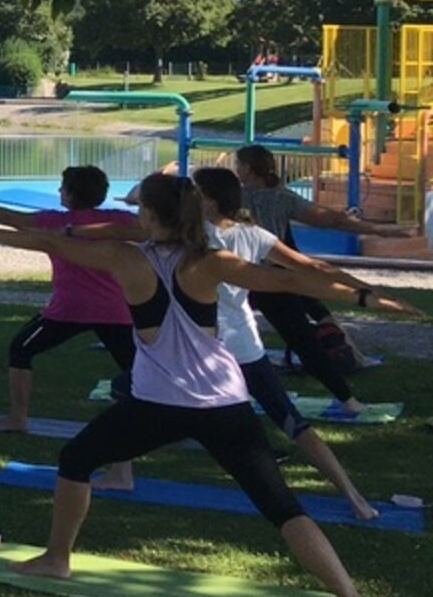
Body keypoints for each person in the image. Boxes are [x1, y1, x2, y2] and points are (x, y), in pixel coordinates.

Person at [0, 174, 412, 597]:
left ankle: (58, 559)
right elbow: (290, 281)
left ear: (152, 218)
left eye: (140, 208)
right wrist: (369, 299)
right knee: (282, 506)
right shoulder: (210, 261)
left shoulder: (125, 258)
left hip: (158, 403)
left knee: (75, 459)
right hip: (223, 403)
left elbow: (51, 241)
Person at [83, 167, 378, 516]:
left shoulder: (191, 236)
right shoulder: (255, 235)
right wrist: (360, 291)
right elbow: (306, 267)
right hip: (246, 347)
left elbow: (134, 230)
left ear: (205, 200)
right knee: (292, 422)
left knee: (129, 391)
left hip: (204, 351)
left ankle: (120, 472)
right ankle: (353, 496)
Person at [0, 166, 139, 432]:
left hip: (68, 310)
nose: (59, 191)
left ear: (72, 193)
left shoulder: (56, 222)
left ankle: (18, 418)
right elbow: (158, 226)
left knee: (20, 350)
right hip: (115, 311)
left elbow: (7, 217)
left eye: (63, 187)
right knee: (139, 371)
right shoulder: (120, 220)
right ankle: (160, 421)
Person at [233, 145, 411, 410]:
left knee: (302, 338)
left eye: (238, 164)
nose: (235, 169)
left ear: (246, 169)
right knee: (302, 334)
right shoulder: (280, 196)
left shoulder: (238, 197)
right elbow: (332, 220)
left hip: (256, 276)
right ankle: (348, 395)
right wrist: (377, 230)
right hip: (270, 274)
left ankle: (348, 395)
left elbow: (329, 220)